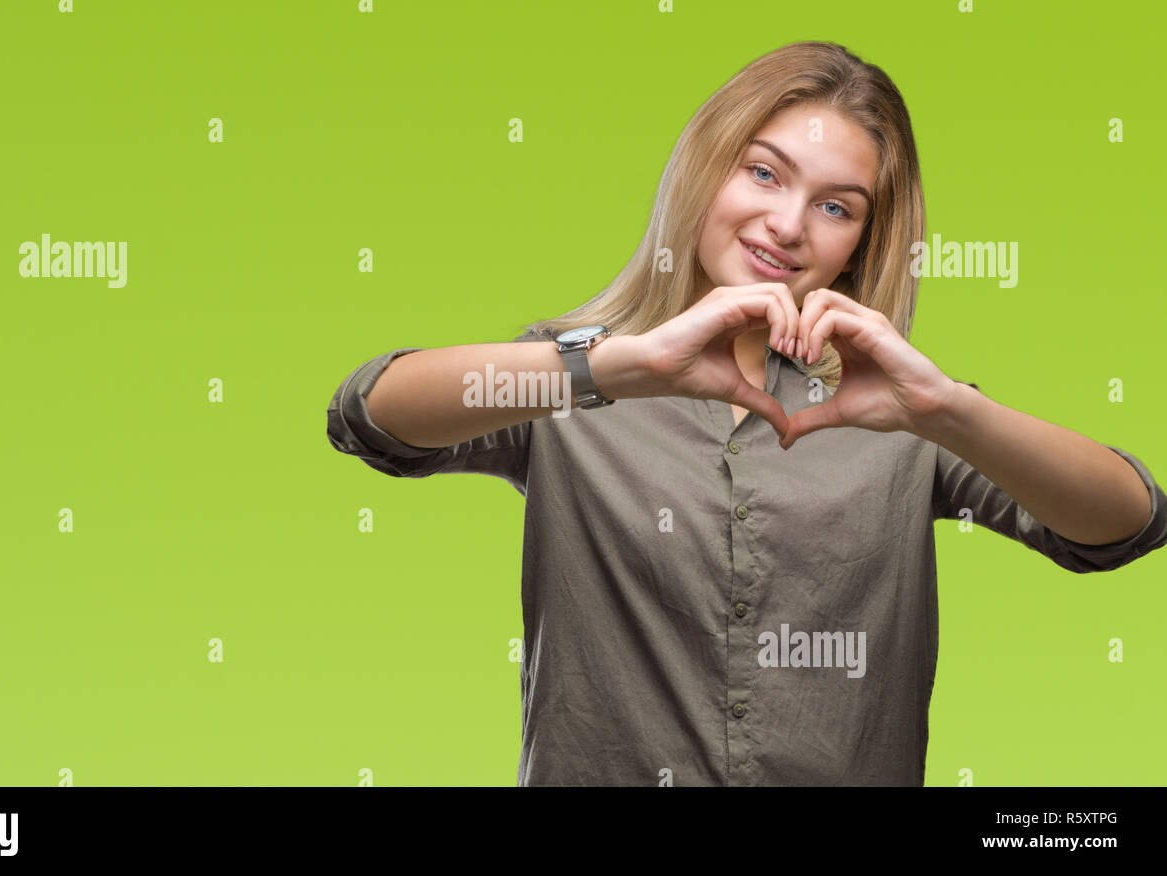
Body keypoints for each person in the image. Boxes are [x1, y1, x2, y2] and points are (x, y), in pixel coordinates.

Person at [325, 41, 1167, 786]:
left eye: (836, 206)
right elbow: (370, 410)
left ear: (861, 246)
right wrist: (624, 364)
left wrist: (946, 410)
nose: (787, 224)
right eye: (762, 172)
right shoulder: (575, 376)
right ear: (705, 169)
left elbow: (1126, 521)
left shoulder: (898, 416)